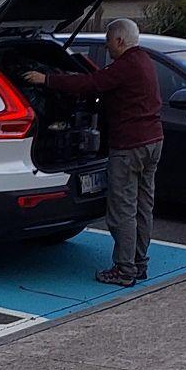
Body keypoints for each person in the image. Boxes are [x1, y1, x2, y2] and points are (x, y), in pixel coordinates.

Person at [23, 17, 161, 287]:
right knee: (143, 207)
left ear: (120, 40)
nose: (108, 46)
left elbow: (91, 84)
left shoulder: (126, 66)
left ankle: (123, 270)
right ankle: (138, 263)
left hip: (129, 146)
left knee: (122, 210)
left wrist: (46, 79)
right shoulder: (143, 61)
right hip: (153, 142)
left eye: (109, 41)